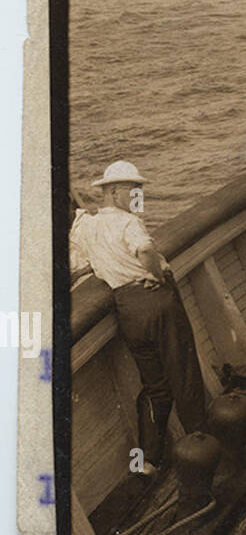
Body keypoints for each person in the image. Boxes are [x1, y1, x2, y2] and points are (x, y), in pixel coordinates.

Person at [69, 161, 205, 474]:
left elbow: (78, 260)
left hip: (127, 309)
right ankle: (203, 448)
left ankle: (148, 460)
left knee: (154, 385)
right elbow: (144, 250)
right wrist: (154, 274)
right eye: (133, 189)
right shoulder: (129, 223)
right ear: (113, 192)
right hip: (156, 301)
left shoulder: (87, 226)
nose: (137, 195)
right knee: (184, 375)